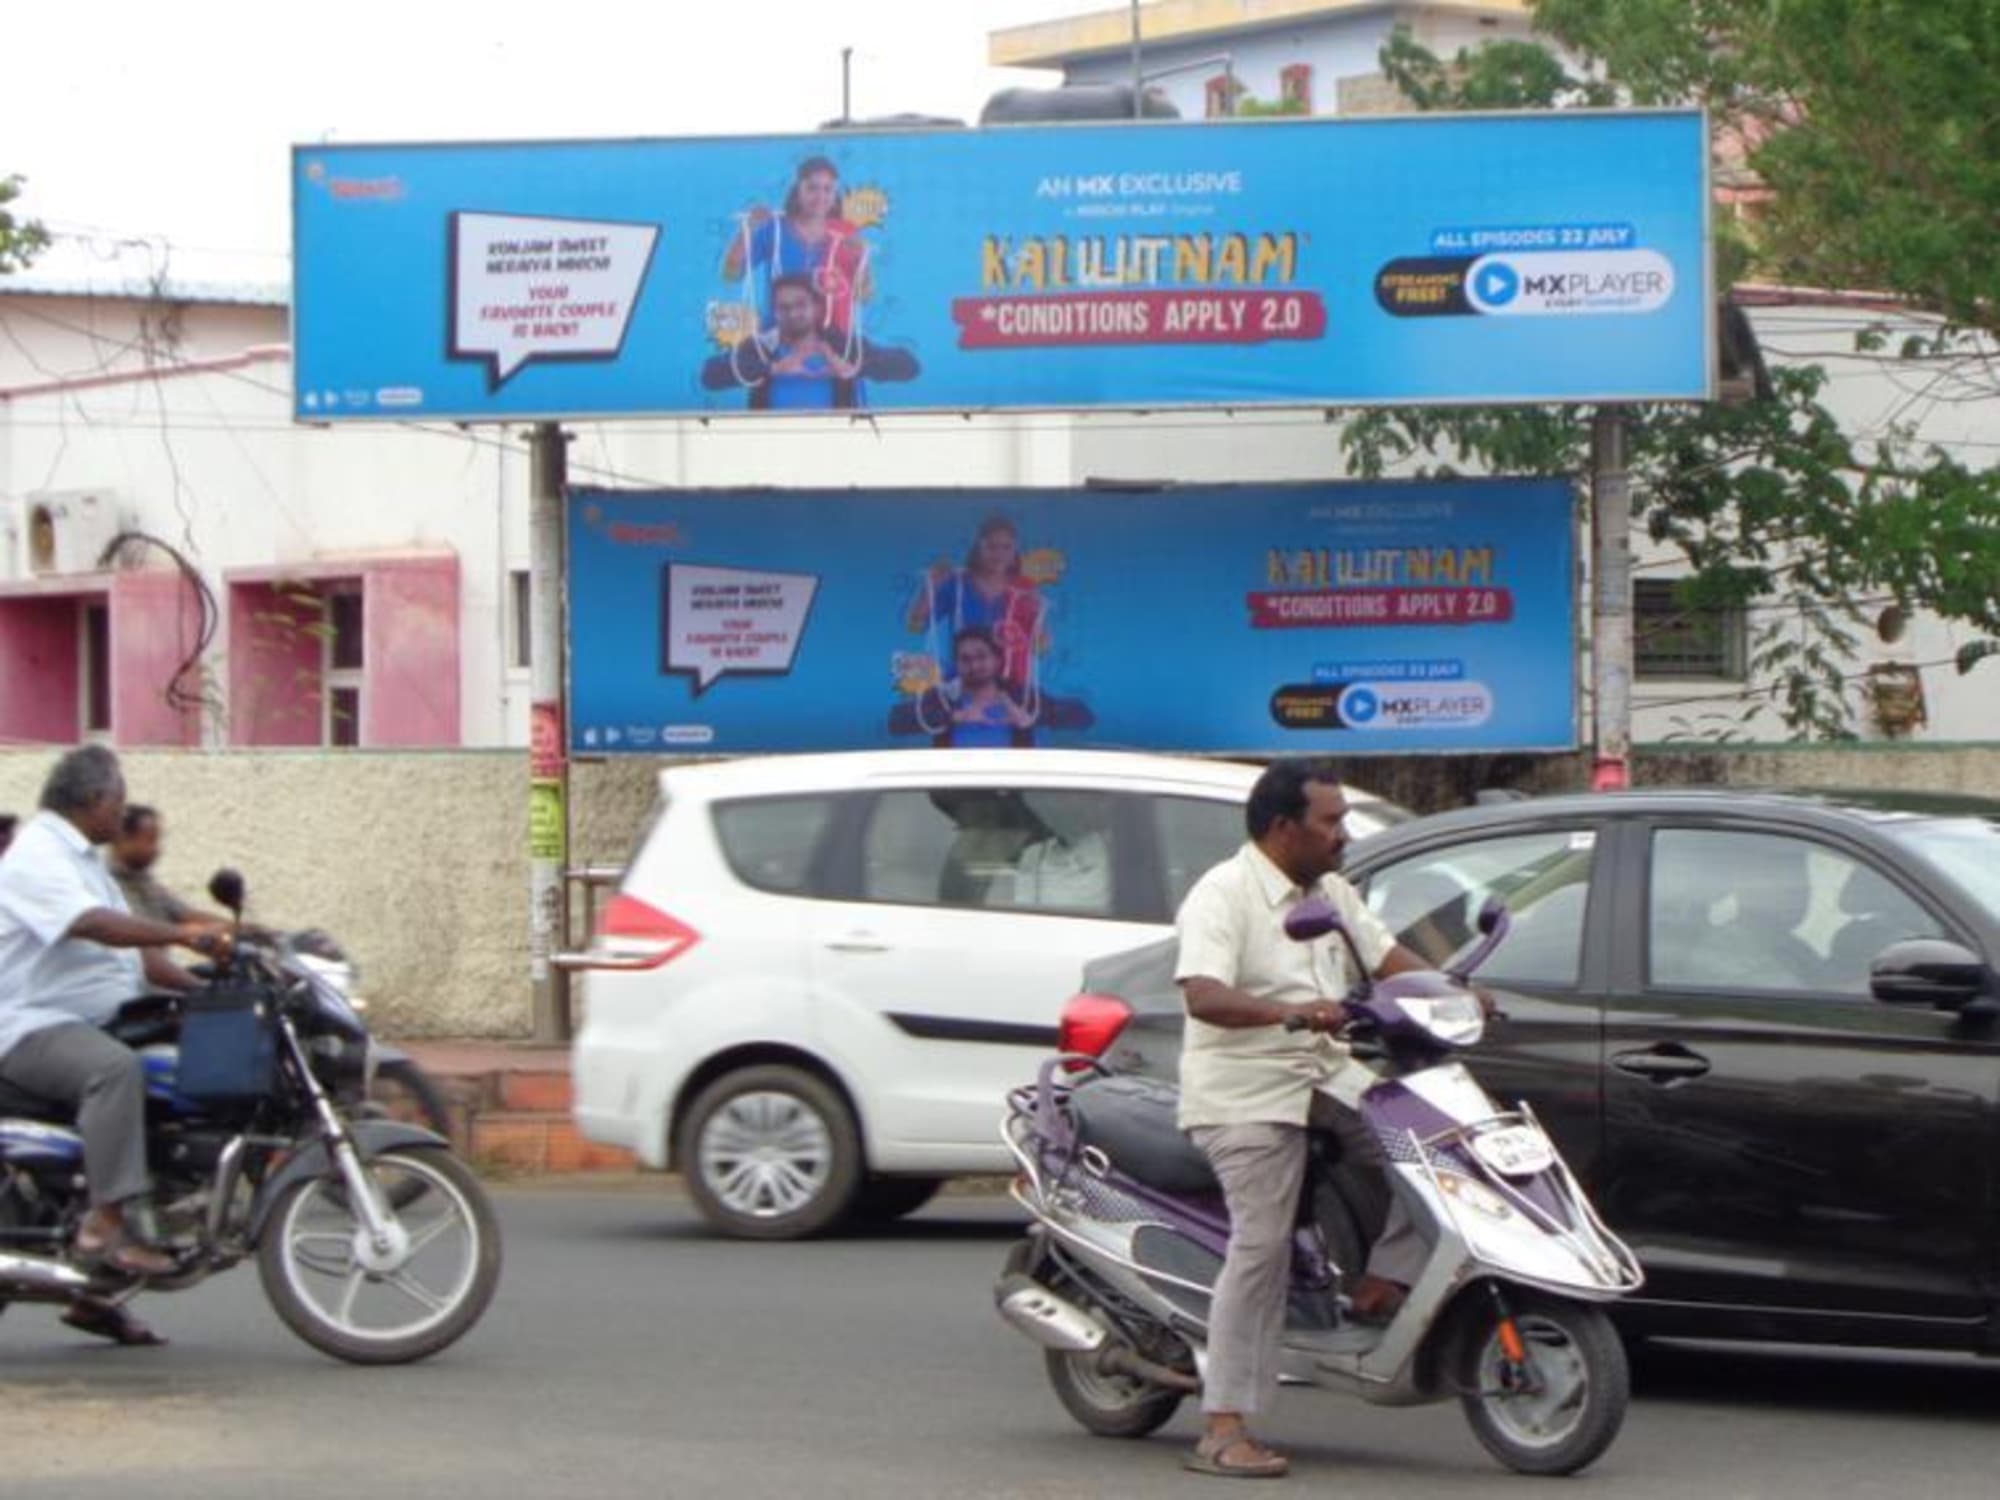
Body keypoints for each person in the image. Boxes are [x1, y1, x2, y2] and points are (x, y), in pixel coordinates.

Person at [1173, 760, 1430, 1479]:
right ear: (1284, 828)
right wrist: (1286, 1013)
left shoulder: (1333, 892)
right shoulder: (1223, 894)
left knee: (1430, 1146)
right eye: (1331, 822)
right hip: (1244, 1090)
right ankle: (1223, 1425)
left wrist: (1456, 991)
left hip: (1324, 1073)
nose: (1343, 835)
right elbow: (1203, 994)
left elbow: (1386, 957)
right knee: (1262, 1246)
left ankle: (1382, 1280)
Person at [0, 746, 226, 1292]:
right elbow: (94, 925)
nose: (122, 815)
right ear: (92, 799)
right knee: (115, 1071)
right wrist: (181, 932)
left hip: (83, 1019)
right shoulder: (37, 854)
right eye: (118, 802)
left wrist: (202, 987)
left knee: (164, 1061)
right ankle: (107, 1226)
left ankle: (100, 1295)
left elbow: (133, 952)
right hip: (29, 1025)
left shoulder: (81, 860)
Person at [700, 274, 917, 411]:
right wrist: (773, 369)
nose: (793, 313)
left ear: (817, 308)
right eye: (784, 307)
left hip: (836, 451)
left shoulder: (843, 346)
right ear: (774, 312)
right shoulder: (762, 347)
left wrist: (854, 368)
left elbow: (909, 367)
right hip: (770, 452)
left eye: (801, 305)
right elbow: (709, 376)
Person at [721, 154, 873, 335]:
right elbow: (731, 275)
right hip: (778, 336)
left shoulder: (846, 234)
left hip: (832, 341)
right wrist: (746, 231)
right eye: (812, 188)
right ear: (797, 190)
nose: (820, 196)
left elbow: (863, 295)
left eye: (828, 189)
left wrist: (862, 262)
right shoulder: (774, 230)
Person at [887, 626, 1094, 748]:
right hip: (954, 793)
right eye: (965, 659)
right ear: (956, 664)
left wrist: (1032, 718)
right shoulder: (944, 698)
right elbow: (896, 722)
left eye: (982, 657)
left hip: (1013, 790)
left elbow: (1084, 717)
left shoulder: (1023, 697)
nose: (974, 665)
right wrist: (951, 717)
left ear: (997, 661)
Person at [905, 513, 1046, 688]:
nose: (999, 554)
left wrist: (1037, 616)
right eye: (991, 546)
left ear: (1015, 550)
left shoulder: (1024, 588)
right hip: (963, 682)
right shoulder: (956, 584)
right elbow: (915, 625)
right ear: (978, 547)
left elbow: (1041, 646)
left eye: (1006, 547)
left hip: (1011, 684)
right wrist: (930, 587)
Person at [107, 804, 229, 932]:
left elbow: (184, 914)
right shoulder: (104, 884)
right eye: (150, 840)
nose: (157, 850)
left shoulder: (145, 883)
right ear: (123, 838)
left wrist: (241, 929)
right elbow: (138, 931)